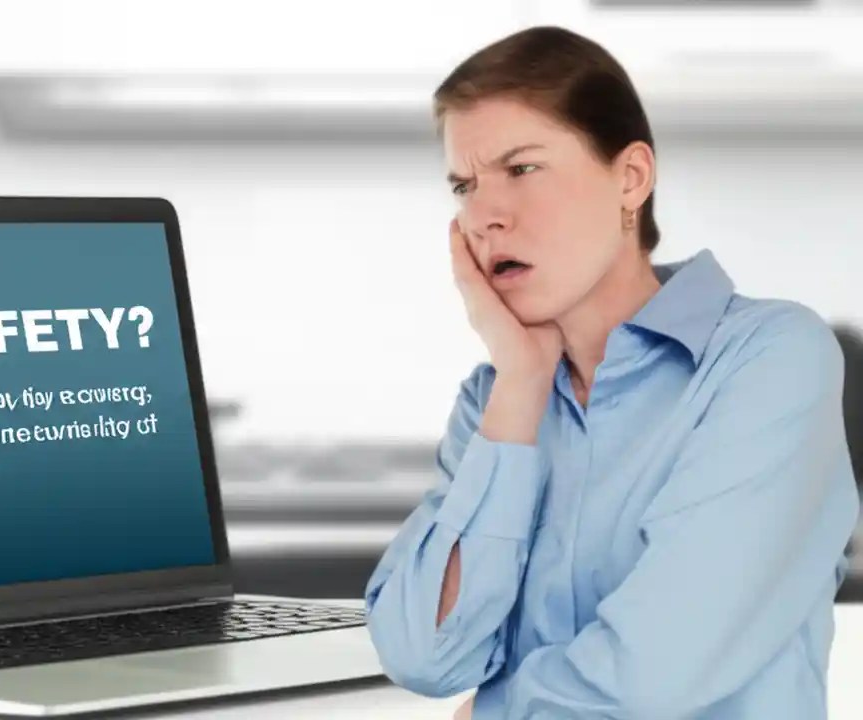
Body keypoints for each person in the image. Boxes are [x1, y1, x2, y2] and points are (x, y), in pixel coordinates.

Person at [363, 25, 861, 719]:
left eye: (521, 169)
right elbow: (424, 655)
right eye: (463, 186)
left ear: (630, 179)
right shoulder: (495, 402)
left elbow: (659, 665)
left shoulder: (771, 358)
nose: (485, 216)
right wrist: (521, 384)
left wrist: (490, 714)